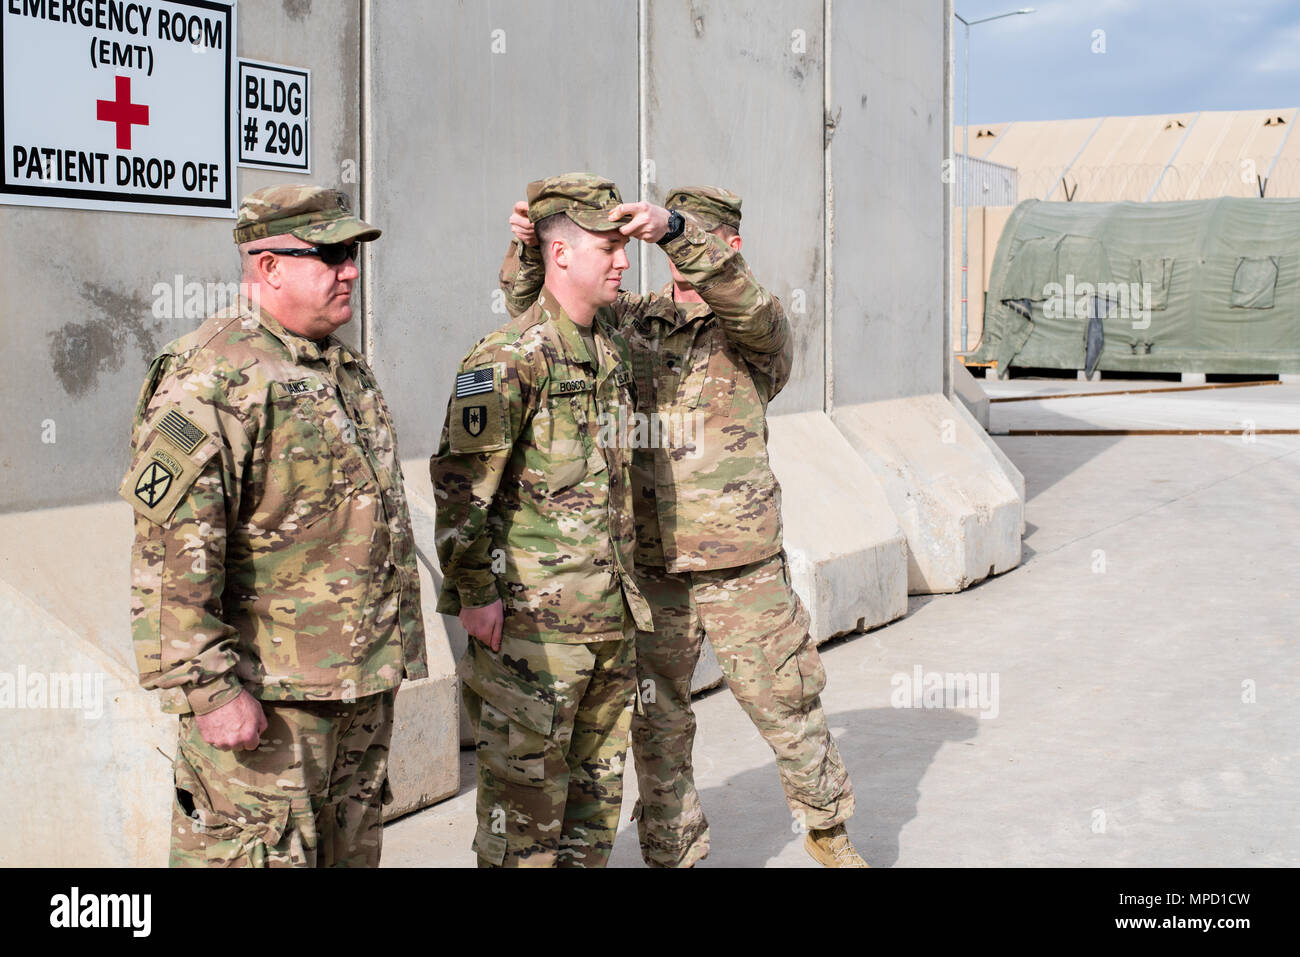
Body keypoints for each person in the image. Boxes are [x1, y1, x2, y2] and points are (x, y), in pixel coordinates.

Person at [501, 185, 866, 867]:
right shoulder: (632, 322)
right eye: (668, 234)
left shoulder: (754, 330)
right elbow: (537, 311)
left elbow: (742, 299)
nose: (673, 251)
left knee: (785, 701)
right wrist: (530, 246)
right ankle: (673, 851)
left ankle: (828, 828)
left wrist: (673, 229)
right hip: (651, 568)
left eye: (694, 235)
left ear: (726, 245)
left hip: (741, 566)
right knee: (657, 721)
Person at [432, 172, 734, 867]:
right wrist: (474, 594)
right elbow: (459, 487)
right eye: (608, 247)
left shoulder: (615, 350)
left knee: (588, 832)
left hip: (609, 629)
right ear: (561, 254)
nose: (624, 261)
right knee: (524, 833)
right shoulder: (507, 359)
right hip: (535, 638)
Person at [120, 184, 427, 867]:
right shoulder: (208, 378)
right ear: (268, 267)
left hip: (355, 692)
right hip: (267, 712)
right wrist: (210, 688)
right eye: (330, 253)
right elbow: (169, 557)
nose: (350, 269)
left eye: (352, 252)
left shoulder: (342, 367)